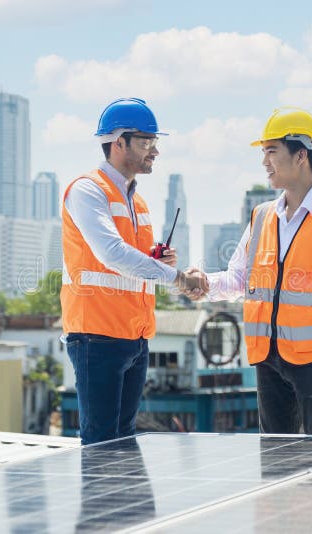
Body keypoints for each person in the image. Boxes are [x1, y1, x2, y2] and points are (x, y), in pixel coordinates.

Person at [186, 107, 312, 435]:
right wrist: (205, 283)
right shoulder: (261, 216)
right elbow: (240, 279)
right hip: (268, 359)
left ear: (301, 155)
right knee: (275, 459)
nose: (264, 162)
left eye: (271, 151)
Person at [61, 97, 206, 445]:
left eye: (155, 143)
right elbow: (112, 254)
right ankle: (99, 504)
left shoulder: (136, 200)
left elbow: (135, 264)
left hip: (134, 337)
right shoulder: (87, 190)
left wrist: (161, 261)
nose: (154, 151)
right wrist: (177, 278)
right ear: (118, 142)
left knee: (122, 441)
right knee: (100, 443)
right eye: (146, 141)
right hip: (97, 335)